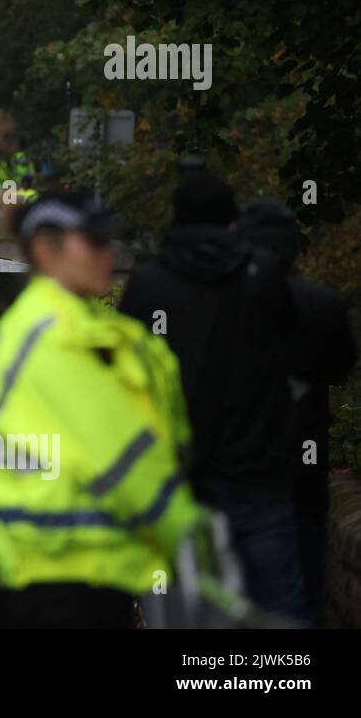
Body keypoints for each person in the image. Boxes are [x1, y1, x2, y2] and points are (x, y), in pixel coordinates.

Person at [0, 190, 208, 628]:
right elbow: (126, 459)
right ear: (47, 252)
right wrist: (195, 542)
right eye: (94, 242)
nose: (110, 253)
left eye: (110, 241)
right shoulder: (59, 341)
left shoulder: (38, 330)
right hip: (70, 574)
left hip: (45, 568)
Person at [119, 171, 307, 624]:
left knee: (180, 610)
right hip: (256, 469)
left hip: (175, 479)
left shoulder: (147, 285)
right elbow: (293, 362)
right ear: (231, 219)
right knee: (278, 605)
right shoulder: (262, 277)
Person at [238, 198, 358, 625]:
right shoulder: (322, 305)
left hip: (236, 472)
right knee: (300, 589)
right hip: (300, 472)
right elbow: (341, 367)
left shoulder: (221, 308)